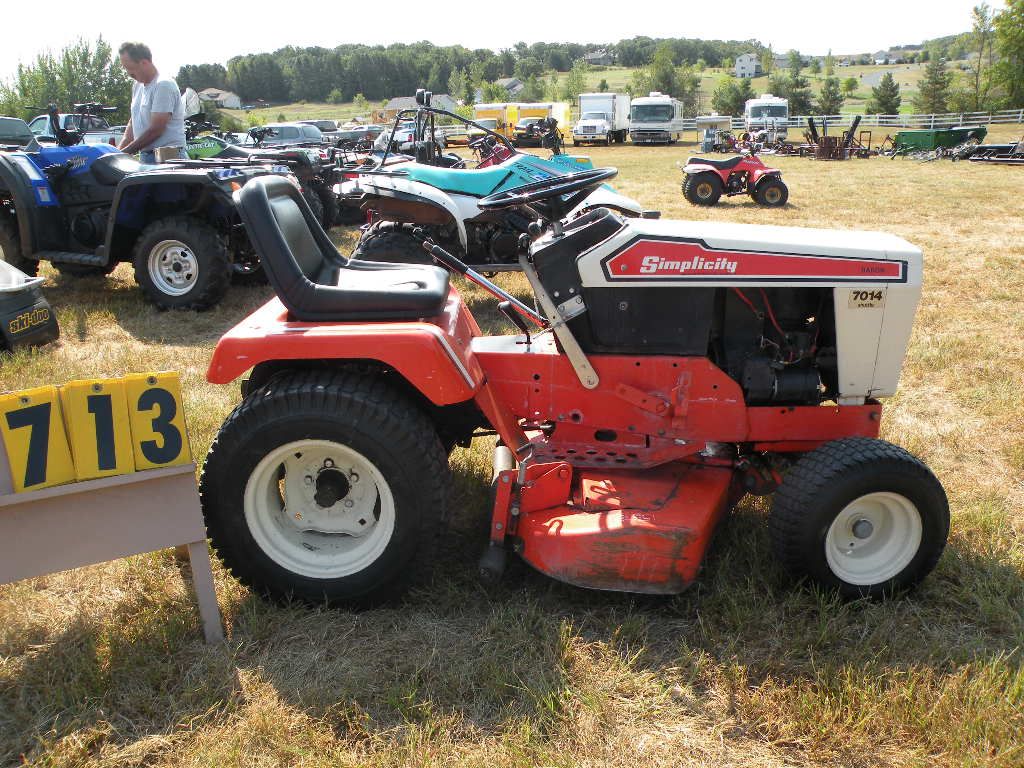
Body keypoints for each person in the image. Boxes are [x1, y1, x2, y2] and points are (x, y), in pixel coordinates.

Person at [117, 42, 186, 163]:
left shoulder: (163, 85)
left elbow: (156, 129)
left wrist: (124, 153)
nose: (129, 74)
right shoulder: (137, 86)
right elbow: (133, 123)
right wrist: (116, 153)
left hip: (168, 159)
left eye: (130, 69)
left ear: (144, 62)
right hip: (146, 157)